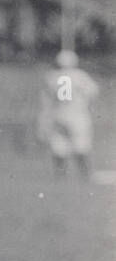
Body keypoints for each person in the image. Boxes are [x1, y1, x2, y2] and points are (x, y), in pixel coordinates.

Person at [38, 50, 98, 179]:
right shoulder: (80, 75)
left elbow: (47, 100)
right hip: (77, 114)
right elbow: (93, 93)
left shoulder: (51, 76)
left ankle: (60, 175)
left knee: (59, 144)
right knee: (82, 144)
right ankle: (85, 174)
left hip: (59, 114)